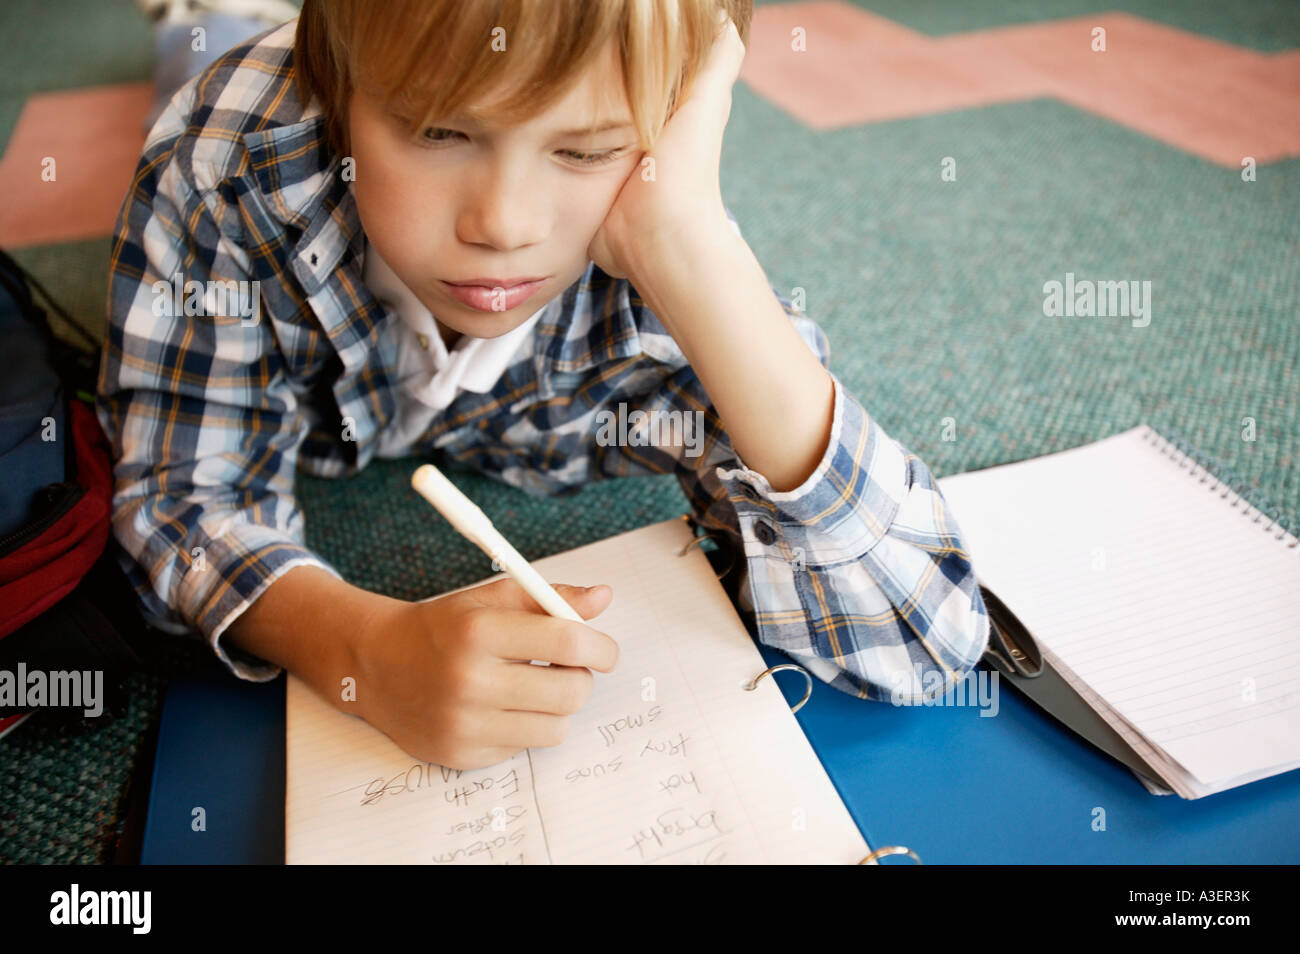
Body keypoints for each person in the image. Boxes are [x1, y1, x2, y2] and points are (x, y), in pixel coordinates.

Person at [97, 0, 990, 770]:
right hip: (254, 64)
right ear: (337, 87)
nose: (504, 225)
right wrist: (358, 649)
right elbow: (178, 499)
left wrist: (694, 251)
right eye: (439, 130)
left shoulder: (660, 268)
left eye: (588, 148)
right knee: (197, 52)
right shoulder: (225, 160)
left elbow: (921, 641)